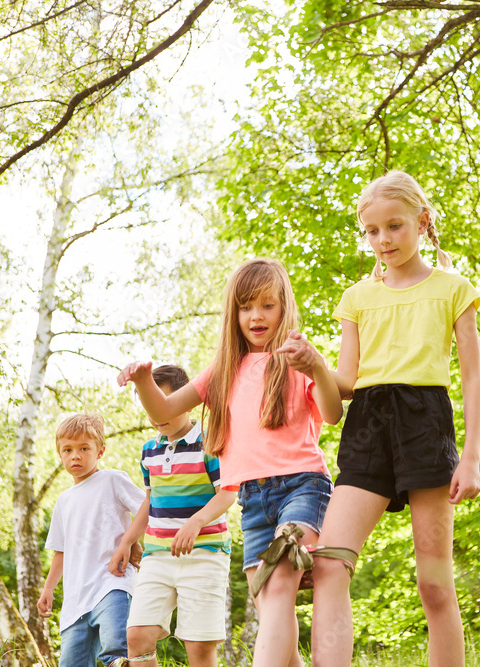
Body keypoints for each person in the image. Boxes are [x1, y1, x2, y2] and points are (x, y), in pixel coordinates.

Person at [116, 259, 343, 667]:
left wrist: (317, 367)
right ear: (233, 313)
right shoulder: (225, 370)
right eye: (245, 307)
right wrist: (143, 380)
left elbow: (331, 412)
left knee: (276, 588)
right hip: (253, 502)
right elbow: (164, 408)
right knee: (272, 603)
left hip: (303, 487)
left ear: (284, 307)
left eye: (267, 306)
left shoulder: (297, 358)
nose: (255, 316)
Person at [309, 170, 480, 667]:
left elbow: (472, 379)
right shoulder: (357, 298)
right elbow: (346, 382)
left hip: (426, 425)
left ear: (421, 222)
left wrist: (469, 458)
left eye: (394, 226)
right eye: (372, 231)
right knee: (330, 563)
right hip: (367, 425)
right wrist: (312, 364)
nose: (382, 239)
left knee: (433, 584)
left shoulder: (454, 288)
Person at [109, 364, 236, 667]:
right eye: (149, 407)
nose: (157, 416)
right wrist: (128, 541)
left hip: (205, 554)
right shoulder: (149, 451)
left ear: (185, 400)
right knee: (137, 636)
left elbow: (228, 493)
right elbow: (151, 501)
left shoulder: (211, 443)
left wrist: (196, 521)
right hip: (157, 557)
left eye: (163, 404)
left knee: (199, 647)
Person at [38, 413, 146, 667]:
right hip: (76, 600)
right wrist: (48, 588)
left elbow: (148, 508)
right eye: (68, 450)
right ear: (60, 454)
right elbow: (60, 552)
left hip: (112, 584)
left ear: (100, 451)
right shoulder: (63, 501)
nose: (75, 455)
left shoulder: (112, 479)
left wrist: (129, 541)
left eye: (84, 448)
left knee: (116, 653)